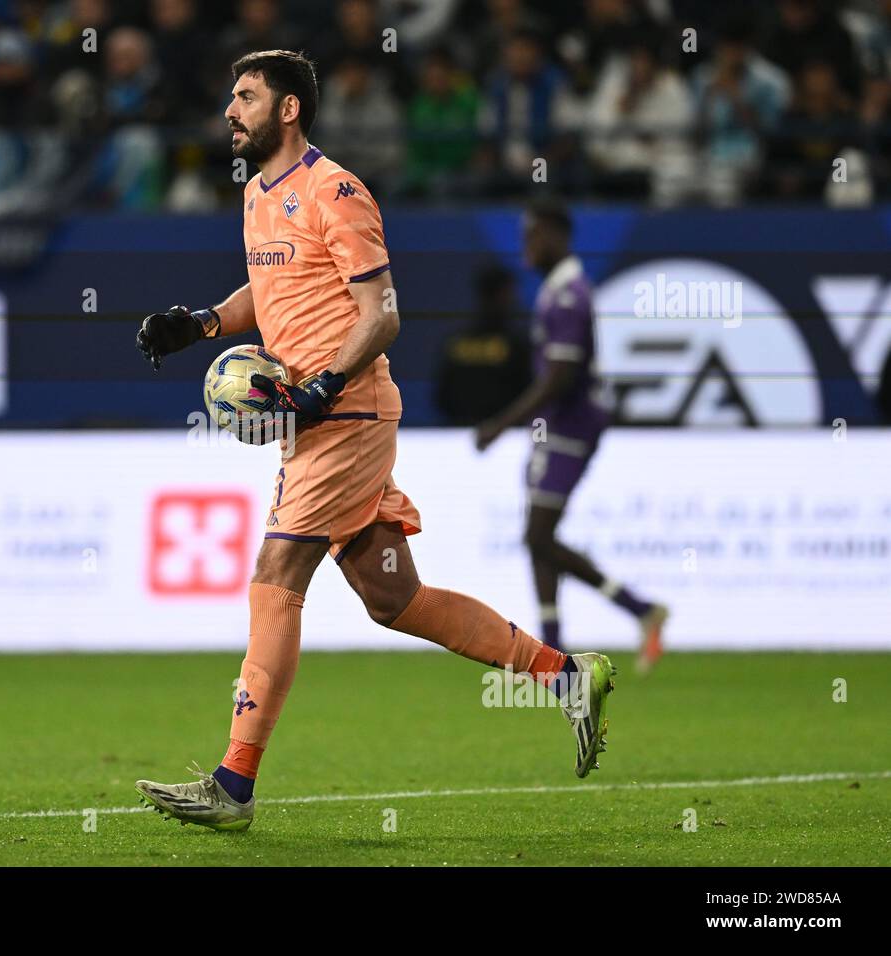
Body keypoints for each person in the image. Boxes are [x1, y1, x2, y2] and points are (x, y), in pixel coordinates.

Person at [131, 51, 615, 832]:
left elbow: (381, 312)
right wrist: (200, 323)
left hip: (342, 416)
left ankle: (234, 784)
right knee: (395, 599)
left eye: (246, 97)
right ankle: (564, 677)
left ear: (288, 110)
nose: (230, 109)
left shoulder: (337, 190)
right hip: (316, 419)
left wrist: (323, 385)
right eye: (230, 96)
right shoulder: (258, 195)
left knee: (276, 572)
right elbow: (273, 286)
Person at [475, 198, 668, 670]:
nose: (527, 245)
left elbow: (559, 377)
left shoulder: (568, 296)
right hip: (556, 428)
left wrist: (502, 423)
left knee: (538, 535)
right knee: (539, 537)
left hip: (570, 428)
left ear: (559, 238)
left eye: (535, 235)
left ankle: (641, 609)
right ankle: (556, 652)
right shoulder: (556, 290)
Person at [433, 263, 531, 426]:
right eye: (508, 293)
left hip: (468, 437)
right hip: (499, 438)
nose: (513, 300)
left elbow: (442, 400)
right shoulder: (517, 344)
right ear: (498, 295)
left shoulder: (456, 341)